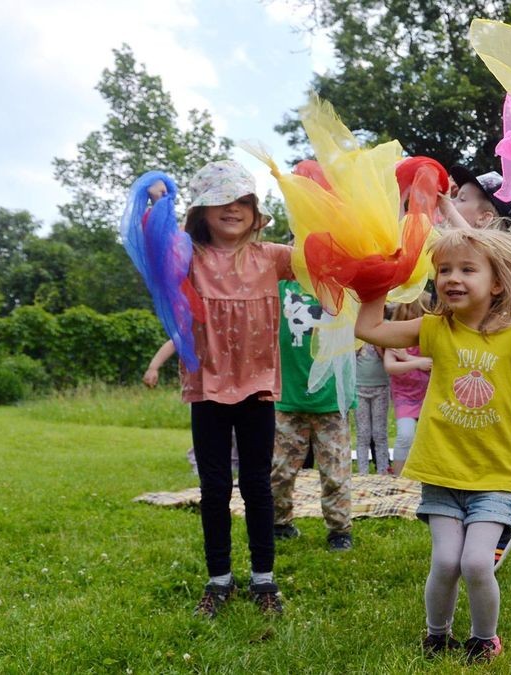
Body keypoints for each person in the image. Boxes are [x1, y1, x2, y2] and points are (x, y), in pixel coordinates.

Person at [354, 227, 511, 663]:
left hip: (493, 475)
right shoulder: (436, 328)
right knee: (445, 563)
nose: (451, 278)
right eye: (444, 270)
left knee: (475, 563)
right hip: (441, 470)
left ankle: (483, 638)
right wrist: (375, 284)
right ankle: (437, 635)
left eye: (466, 269)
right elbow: (369, 328)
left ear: (496, 282)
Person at [177, 160, 294, 618]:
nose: (233, 208)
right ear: (202, 211)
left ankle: (263, 577)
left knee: (257, 484)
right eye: (221, 200)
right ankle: (218, 577)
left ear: (256, 210)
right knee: (213, 486)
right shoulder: (188, 256)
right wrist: (157, 207)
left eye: (242, 199)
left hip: (257, 386)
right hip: (206, 386)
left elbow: (317, 255)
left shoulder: (271, 257)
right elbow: (150, 248)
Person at [270, 278, 356, 552]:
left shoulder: (341, 287)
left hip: (330, 401)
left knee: (335, 472)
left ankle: (339, 530)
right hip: (288, 399)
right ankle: (280, 523)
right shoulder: (281, 286)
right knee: (280, 469)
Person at [143, 339, 237, 474]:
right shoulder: (195, 324)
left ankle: (233, 462)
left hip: (230, 387)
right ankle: (200, 462)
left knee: (234, 430)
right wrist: (153, 368)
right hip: (202, 389)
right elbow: (174, 341)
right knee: (207, 431)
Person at [384, 294, 433, 478]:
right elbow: (390, 366)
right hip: (404, 396)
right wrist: (416, 363)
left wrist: (408, 358)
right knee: (405, 435)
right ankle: (397, 476)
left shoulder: (429, 338)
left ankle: (425, 475)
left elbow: (435, 363)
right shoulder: (395, 339)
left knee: (429, 439)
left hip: (427, 395)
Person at [355, 339, 392, 475]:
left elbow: (389, 359)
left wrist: (379, 347)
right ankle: (362, 472)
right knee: (363, 434)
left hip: (380, 388)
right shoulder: (355, 331)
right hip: (359, 388)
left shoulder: (383, 331)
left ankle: (383, 471)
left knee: (379, 433)